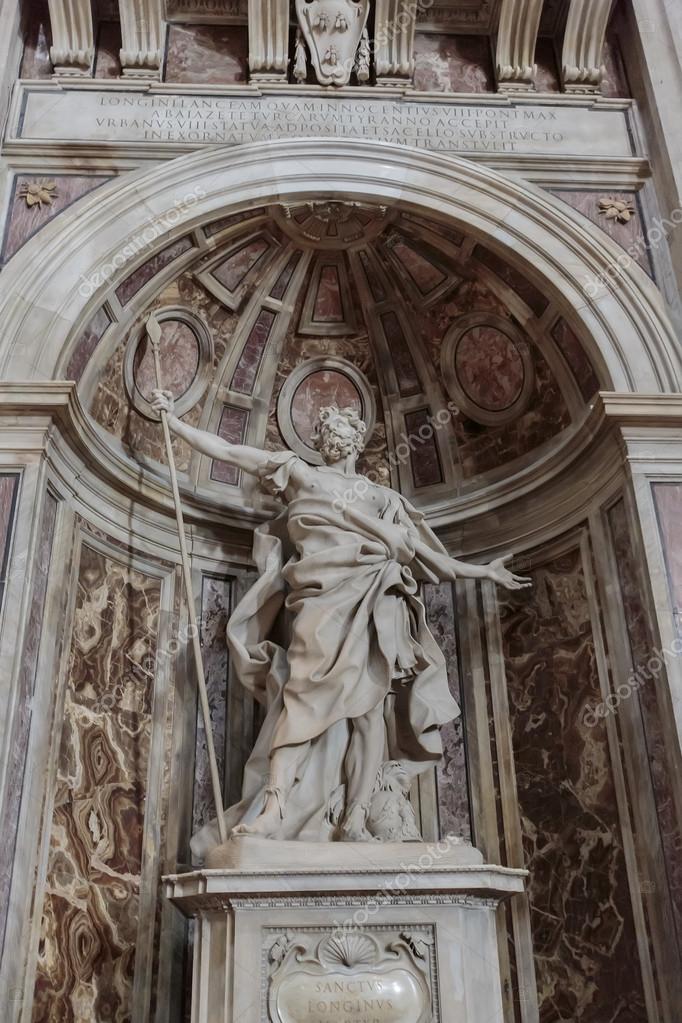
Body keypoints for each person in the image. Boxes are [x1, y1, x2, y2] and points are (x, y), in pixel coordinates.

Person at [151, 391, 531, 849]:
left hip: (372, 603)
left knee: (369, 716)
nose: (334, 436)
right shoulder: (301, 474)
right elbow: (234, 453)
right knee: (301, 696)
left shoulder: (383, 498)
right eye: (327, 431)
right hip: (319, 603)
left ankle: (354, 817)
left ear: (357, 441)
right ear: (320, 443)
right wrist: (175, 423)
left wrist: (483, 572)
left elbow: (430, 559)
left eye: (342, 430)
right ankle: (274, 808)